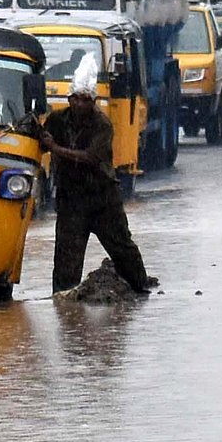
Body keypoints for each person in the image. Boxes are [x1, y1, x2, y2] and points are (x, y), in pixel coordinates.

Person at [39, 55, 153, 295]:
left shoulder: (102, 124)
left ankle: (141, 286)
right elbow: (39, 140)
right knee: (65, 263)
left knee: (123, 249)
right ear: (69, 98)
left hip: (102, 199)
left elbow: (90, 157)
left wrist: (55, 148)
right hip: (71, 201)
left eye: (85, 100)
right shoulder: (57, 119)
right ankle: (63, 304)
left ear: (94, 101)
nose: (80, 104)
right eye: (76, 99)